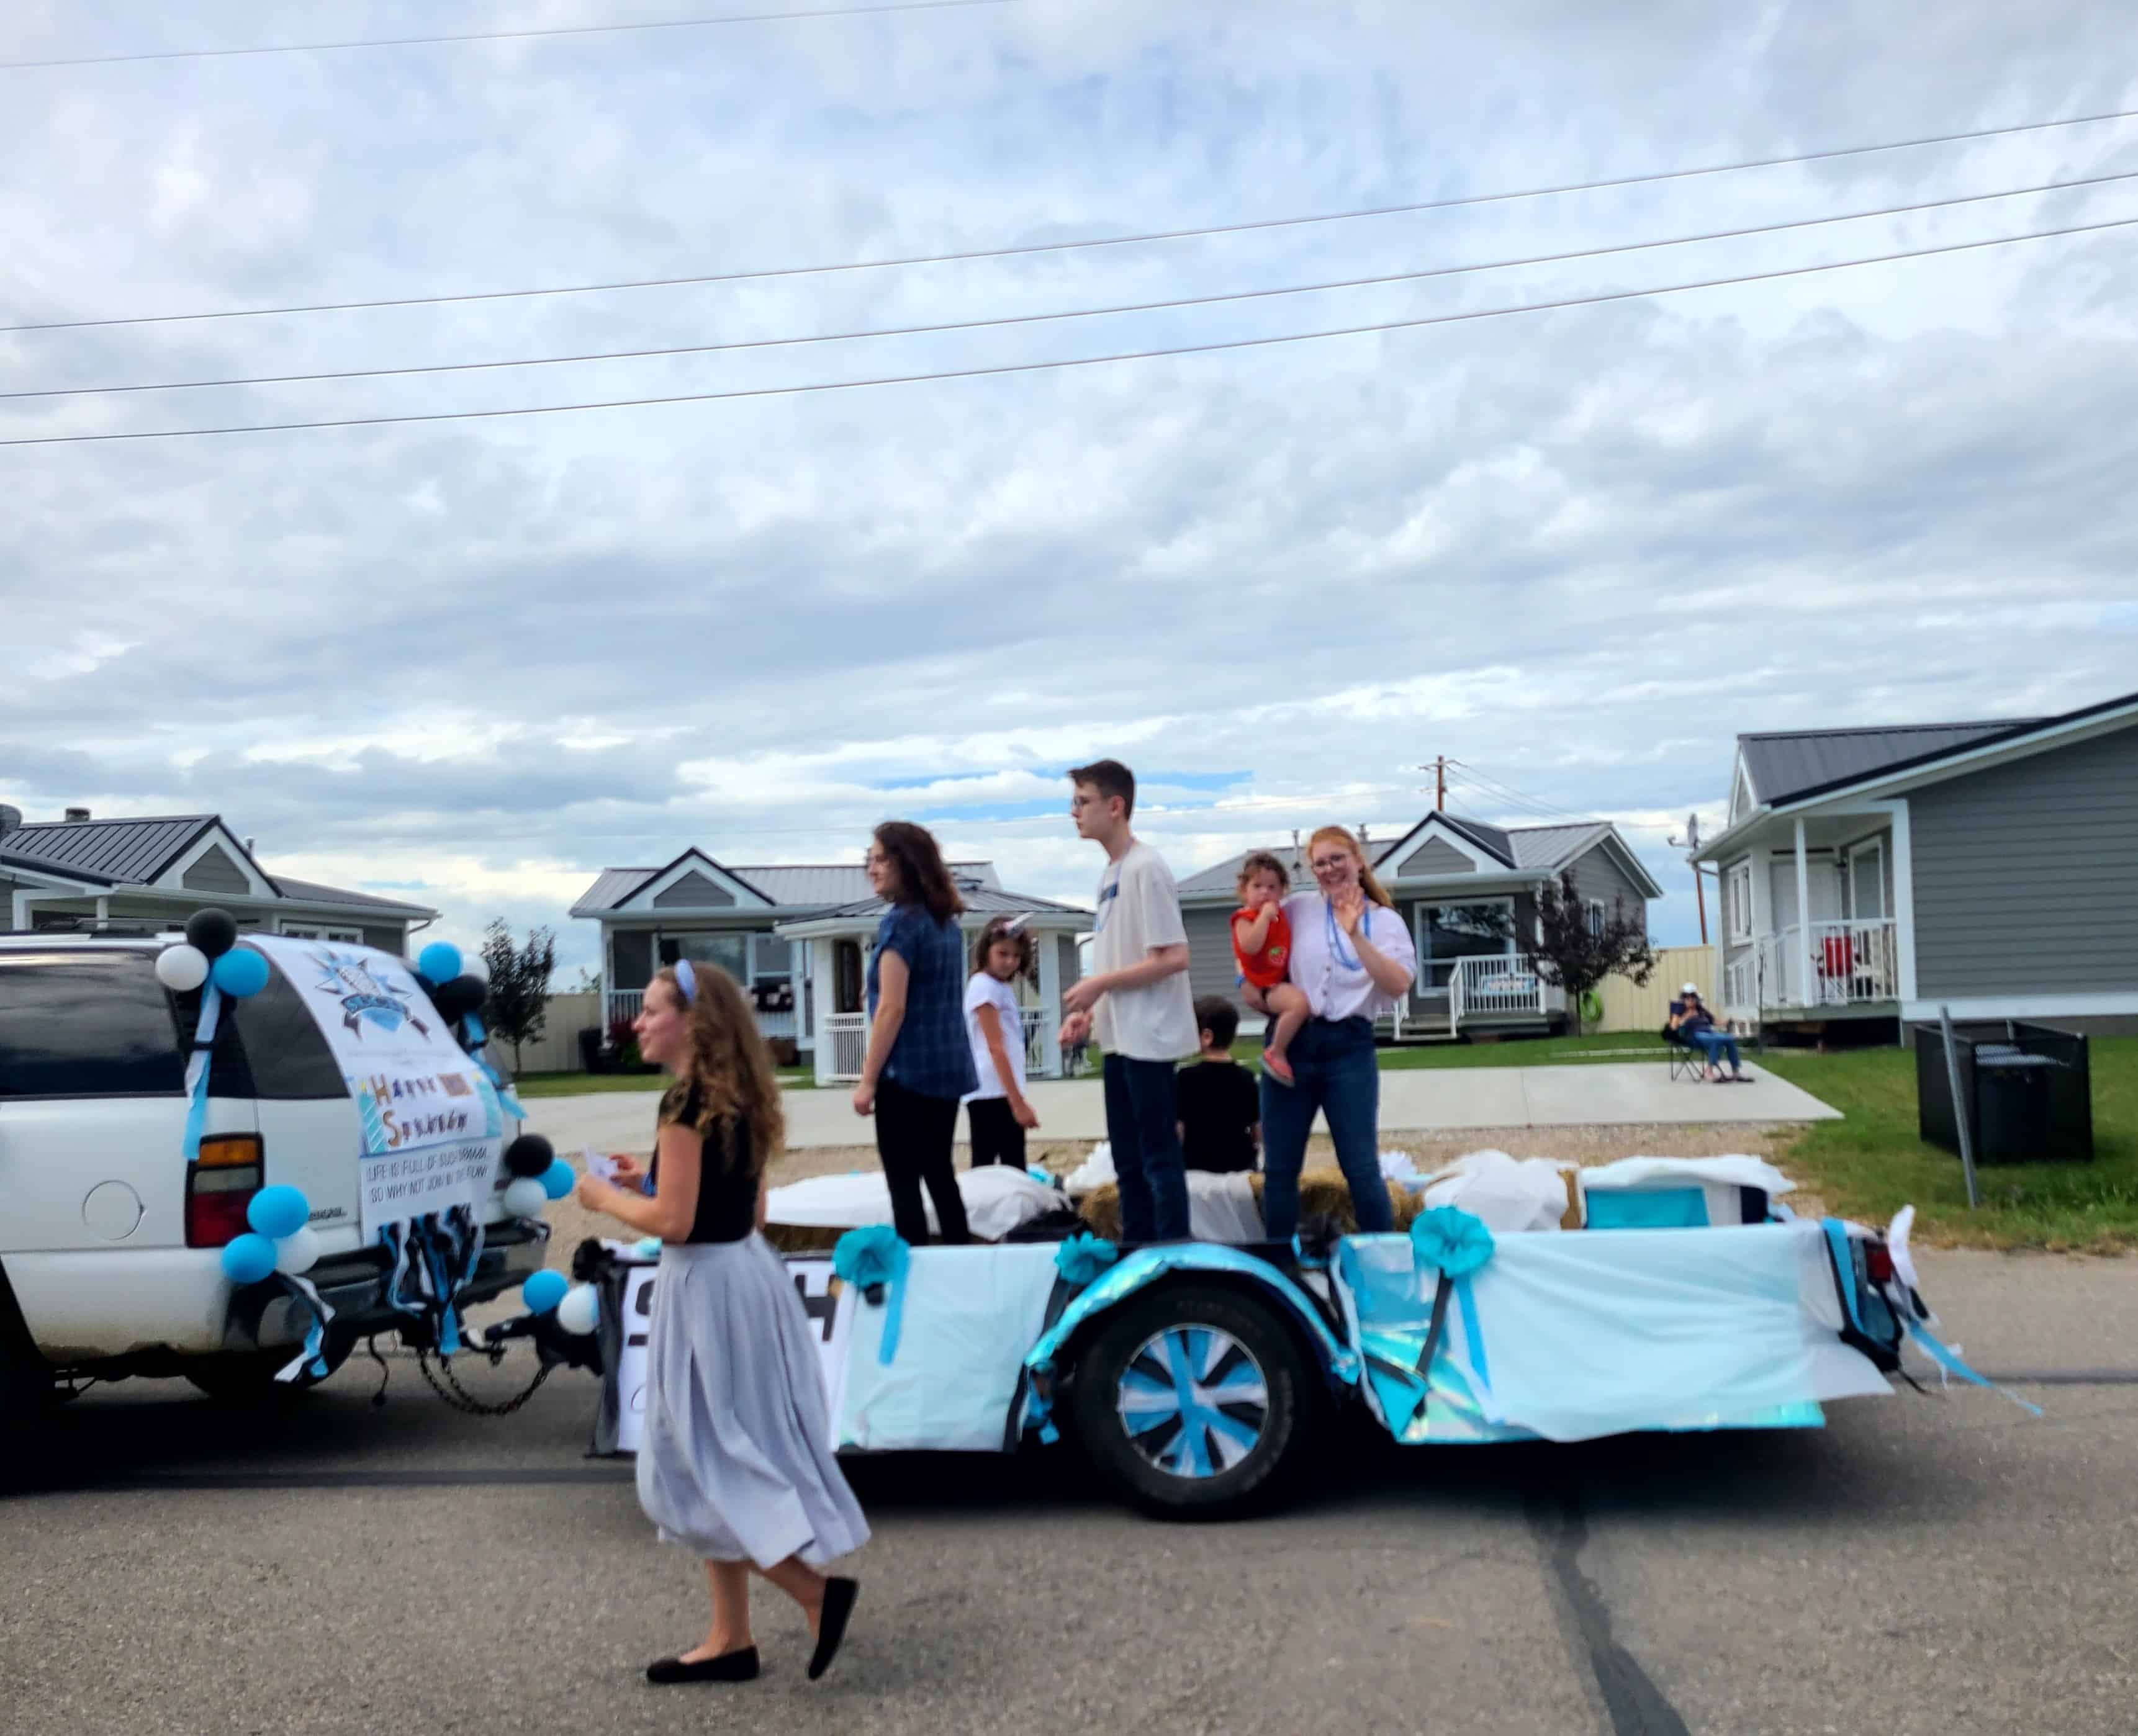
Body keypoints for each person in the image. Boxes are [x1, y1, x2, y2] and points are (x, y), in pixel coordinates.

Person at [574, 960, 867, 1686]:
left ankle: (814, 1592)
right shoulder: (737, 1097)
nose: (637, 1022)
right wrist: (644, 1179)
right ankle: (730, 1637)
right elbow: (745, 1209)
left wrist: (605, 1199)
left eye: (649, 1010)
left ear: (691, 1022)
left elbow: (674, 1223)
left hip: (704, 1286)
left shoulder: (683, 1103)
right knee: (714, 1447)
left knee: (694, 1458)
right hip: (747, 1276)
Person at [1244, 824, 1417, 1239]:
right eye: (1319, 863)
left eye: (1336, 859)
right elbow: (1252, 957)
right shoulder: (1296, 908)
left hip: (1349, 1048)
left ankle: (1381, 1260)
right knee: (1281, 1169)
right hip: (1293, 1042)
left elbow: (1397, 983)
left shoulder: (1386, 921)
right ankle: (1281, 1268)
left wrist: (1355, 932)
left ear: (1358, 860)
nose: (1329, 869)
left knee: (1360, 1167)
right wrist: (1264, 997)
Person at [1058, 758, 1196, 1242]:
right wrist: (1088, 1011)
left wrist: (1101, 984)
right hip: (1118, 1036)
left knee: (1158, 1158)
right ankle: (1137, 1253)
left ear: (1115, 806)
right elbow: (1124, 955)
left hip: (1150, 1038)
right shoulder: (1110, 873)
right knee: (1127, 1161)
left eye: (1083, 801)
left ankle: (1174, 1255)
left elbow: (1175, 956)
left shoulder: (1147, 867)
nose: (1074, 811)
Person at [851, 821, 978, 1244]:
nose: (872, 867)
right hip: (947, 1070)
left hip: (906, 1075)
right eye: (869, 858)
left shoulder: (900, 924)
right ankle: (962, 1257)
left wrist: (868, 1080)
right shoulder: (946, 923)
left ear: (908, 863)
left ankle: (916, 1271)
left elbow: (892, 1007)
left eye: (881, 858)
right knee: (940, 1174)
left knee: (904, 1183)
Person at [963, 915, 1040, 1169]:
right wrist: (1017, 1104)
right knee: (1001, 1166)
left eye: (1016, 956)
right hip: (992, 1091)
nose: (1010, 961)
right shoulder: (984, 987)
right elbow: (996, 1048)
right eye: (1003, 953)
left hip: (1000, 1089)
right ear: (986, 951)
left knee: (1007, 1164)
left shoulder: (999, 987)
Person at [1230, 851, 1310, 1087]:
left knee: (1298, 1008)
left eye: (1272, 887)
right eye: (1257, 886)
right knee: (1298, 1005)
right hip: (1263, 983)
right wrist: (1263, 919)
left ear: (1282, 891)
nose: (1265, 892)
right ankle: (1277, 1052)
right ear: (1244, 890)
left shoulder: (1282, 914)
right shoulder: (1244, 918)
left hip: (1277, 978)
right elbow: (1251, 947)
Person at [1175, 994, 1261, 1175]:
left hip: (1195, 1165)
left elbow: (1179, 1131)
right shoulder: (1246, 1078)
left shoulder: (1186, 1078)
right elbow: (1257, 1130)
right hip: (1239, 1165)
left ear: (1207, 1036)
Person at [1667, 983, 1749, 1082]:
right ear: (1683, 998)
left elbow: (1715, 1021)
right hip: (1693, 1036)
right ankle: (1708, 1072)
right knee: (1717, 1040)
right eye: (1687, 997)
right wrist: (1686, 1016)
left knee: (1730, 1039)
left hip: (1709, 1033)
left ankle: (1736, 1072)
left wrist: (1731, 1021)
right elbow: (1673, 1027)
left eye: (1693, 996)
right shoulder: (1680, 1009)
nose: (1690, 999)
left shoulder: (1700, 1009)